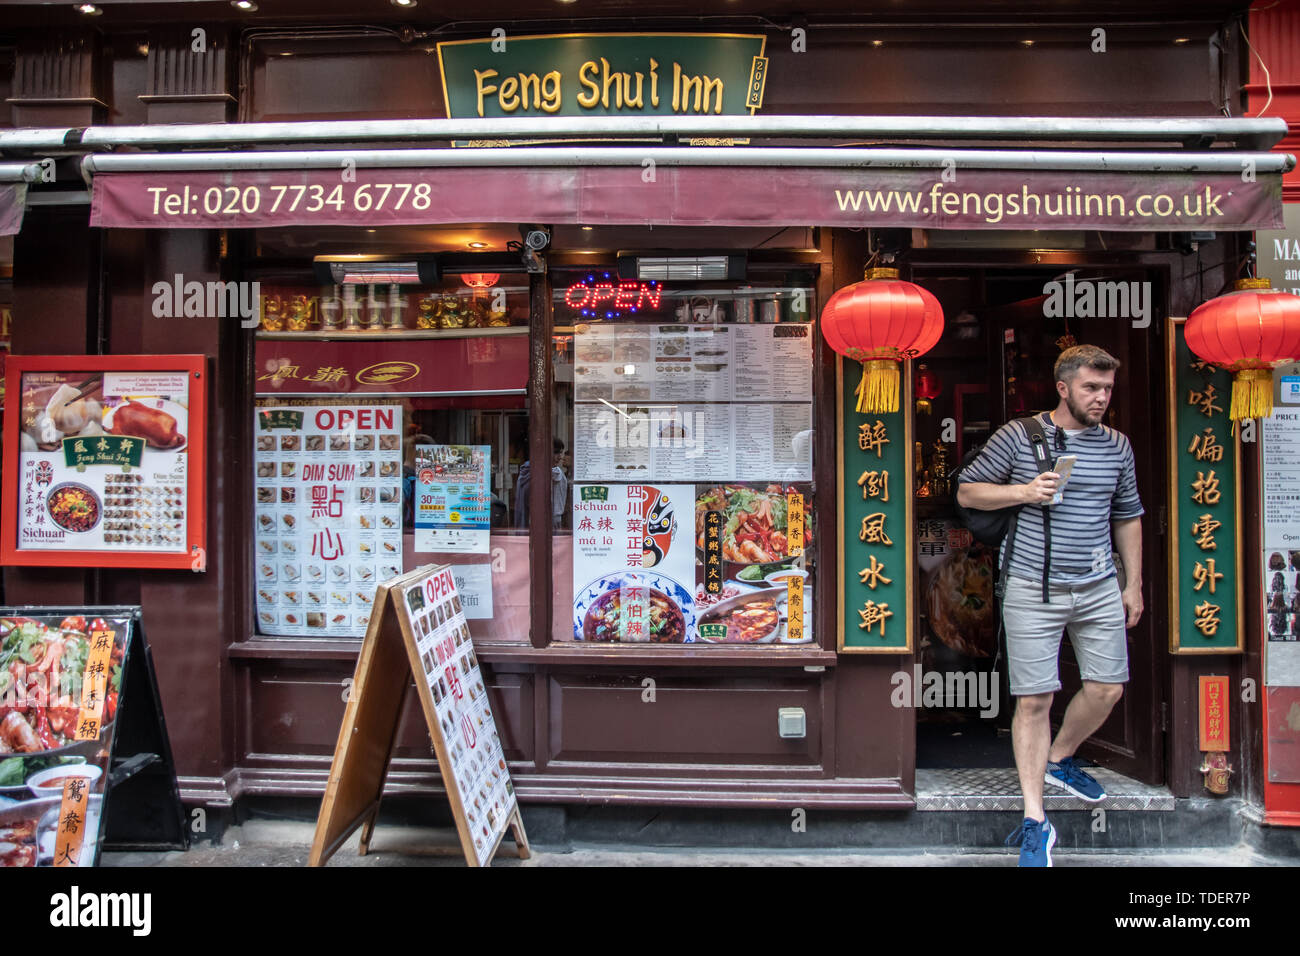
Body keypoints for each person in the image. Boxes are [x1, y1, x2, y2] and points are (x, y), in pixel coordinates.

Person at [956, 344, 1144, 866]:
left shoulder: (1118, 446)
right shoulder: (1019, 435)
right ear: (1063, 388)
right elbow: (969, 494)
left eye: (1107, 388)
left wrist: (1134, 584)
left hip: (1099, 583)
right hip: (1031, 586)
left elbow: (1128, 515)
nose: (1102, 397)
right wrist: (1023, 491)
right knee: (1034, 700)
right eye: (1091, 388)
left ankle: (1060, 757)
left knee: (1108, 687)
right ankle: (1035, 819)